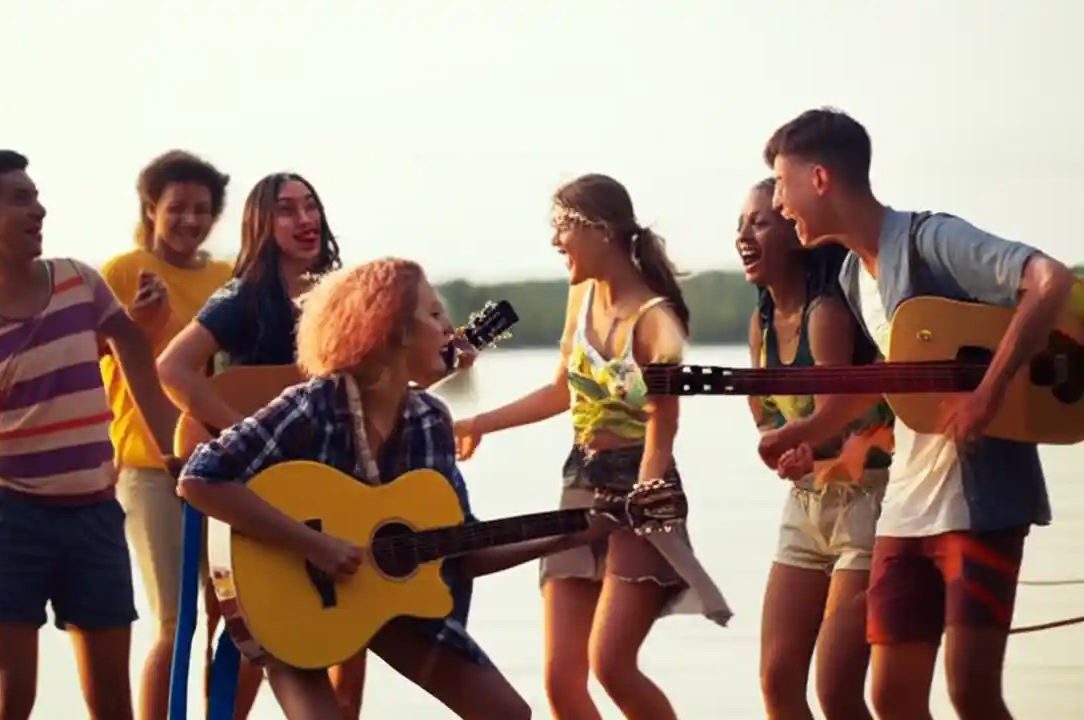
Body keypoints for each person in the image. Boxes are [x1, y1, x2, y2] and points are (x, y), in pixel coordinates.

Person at [177, 257, 607, 720]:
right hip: (284, 601)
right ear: (394, 331)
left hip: (388, 602)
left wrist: (573, 534)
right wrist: (313, 544)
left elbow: (464, 551)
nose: (450, 329)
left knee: (507, 714)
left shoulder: (429, 420)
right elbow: (200, 479)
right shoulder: (312, 405)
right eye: (435, 315)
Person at [761, 107, 1077, 720]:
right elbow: (888, 381)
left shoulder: (933, 239)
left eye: (781, 183)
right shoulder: (855, 275)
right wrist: (810, 428)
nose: (778, 202)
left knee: (971, 692)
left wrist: (989, 390)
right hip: (904, 510)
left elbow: (1051, 280)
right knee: (892, 698)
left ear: (819, 178)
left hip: (980, 501)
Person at [0, 150, 180, 720]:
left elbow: (130, 349)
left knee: (112, 703)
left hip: (95, 514)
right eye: (21, 199)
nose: (39, 209)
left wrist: (176, 454)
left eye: (37, 195)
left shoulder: (78, 282)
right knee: (12, 698)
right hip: (11, 518)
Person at [452, 174, 731, 720]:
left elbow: (662, 425)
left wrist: (646, 495)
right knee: (561, 681)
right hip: (580, 484)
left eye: (562, 227)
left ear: (599, 231)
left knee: (612, 666)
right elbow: (562, 389)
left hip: (641, 493)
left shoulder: (656, 321)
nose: (555, 241)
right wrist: (479, 421)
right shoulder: (580, 298)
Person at [155, 172, 354, 718]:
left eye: (310, 205)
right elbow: (173, 367)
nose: (304, 219)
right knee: (241, 622)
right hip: (248, 486)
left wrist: (443, 362)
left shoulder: (344, 295)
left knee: (351, 606)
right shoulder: (243, 295)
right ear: (261, 226)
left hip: (327, 479)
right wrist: (242, 433)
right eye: (287, 210)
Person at [738, 177, 894, 719]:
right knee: (777, 684)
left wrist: (804, 443)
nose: (743, 236)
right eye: (740, 225)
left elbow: (837, 417)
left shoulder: (826, 312)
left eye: (759, 222)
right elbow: (767, 423)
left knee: (836, 692)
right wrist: (782, 451)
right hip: (803, 508)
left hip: (865, 504)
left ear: (795, 232)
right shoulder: (758, 324)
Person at [98, 150, 234, 720]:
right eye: (176, 207)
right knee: (177, 620)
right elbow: (87, 361)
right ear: (151, 208)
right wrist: (132, 328)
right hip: (150, 466)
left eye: (202, 209)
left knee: (229, 612)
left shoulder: (229, 278)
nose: (189, 220)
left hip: (222, 465)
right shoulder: (121, 272)